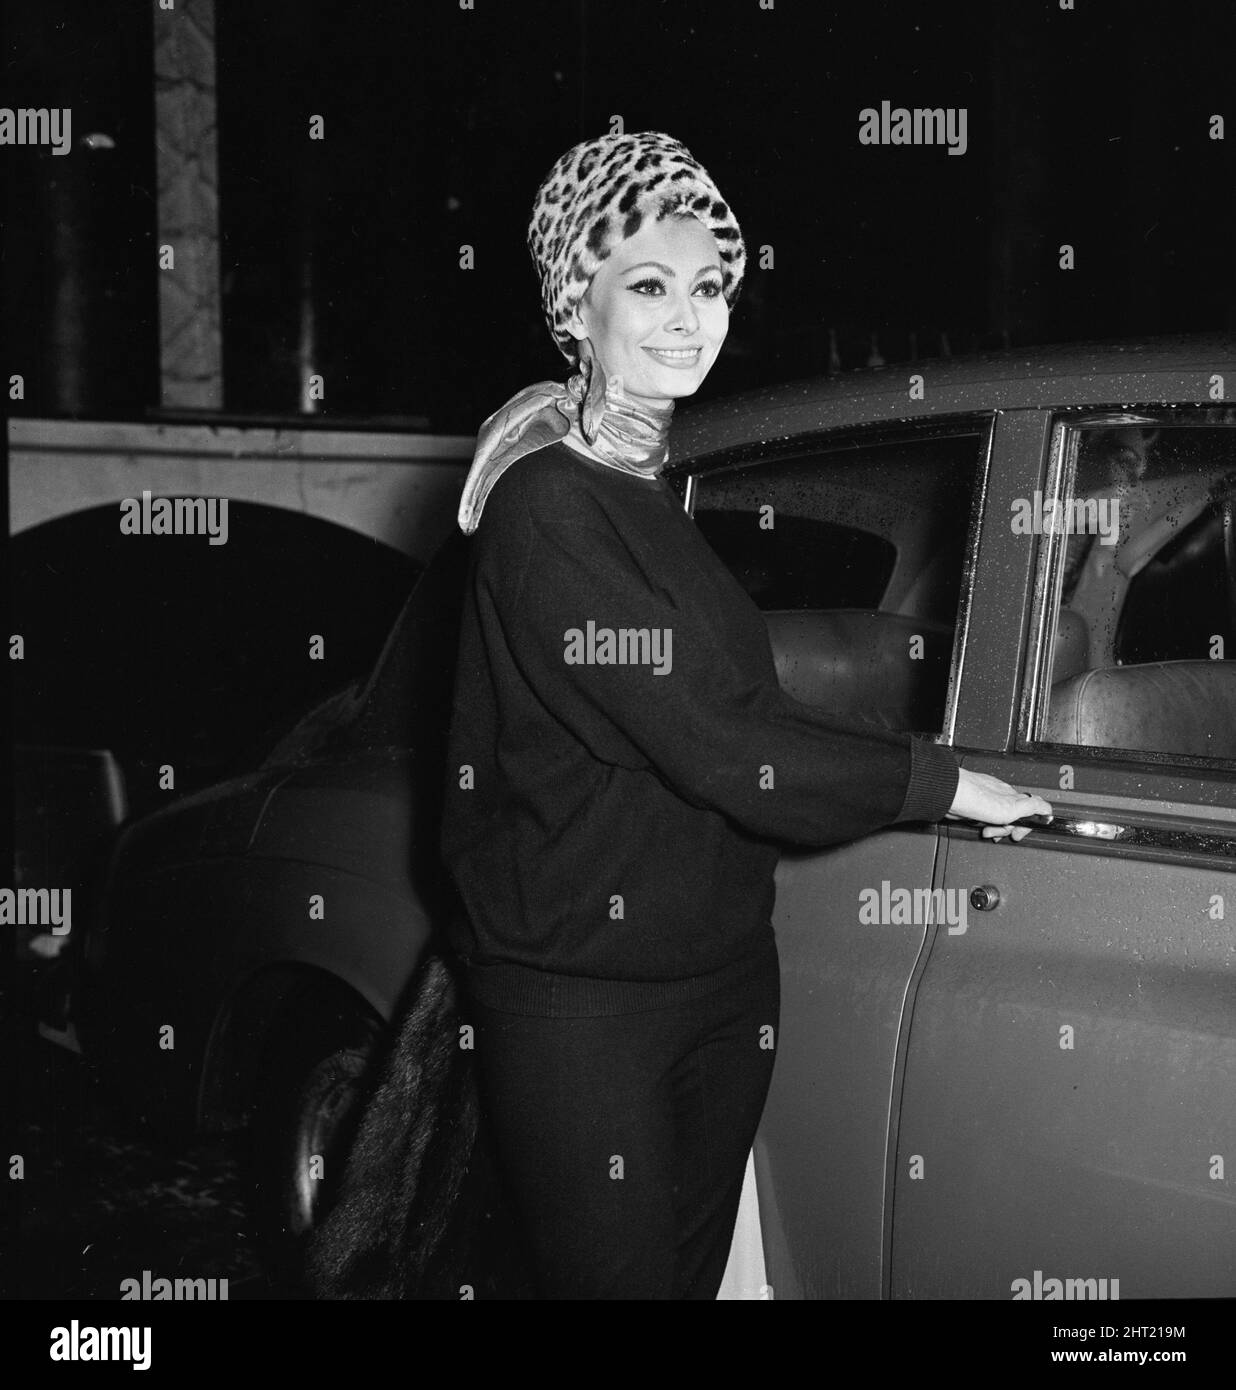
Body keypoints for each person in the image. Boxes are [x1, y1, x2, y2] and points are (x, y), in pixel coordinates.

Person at [440, 129, 1051, 1300]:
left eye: (710, 285)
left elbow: (736, 709)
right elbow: (721, 740)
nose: (689, 316)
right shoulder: (549, 511)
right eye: (650, 285)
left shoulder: (644, 493)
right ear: (577, 304)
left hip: (717, 975)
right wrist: (945, 779)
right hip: (586, 1000)